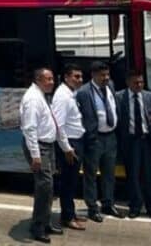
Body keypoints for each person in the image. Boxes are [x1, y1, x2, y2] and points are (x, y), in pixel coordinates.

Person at [20, 68, 75, 243]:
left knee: (49, 188)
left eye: (52, 79)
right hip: (39, 147)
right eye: (48, 79)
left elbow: (55, 124)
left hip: (48, 146)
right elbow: (30, 129)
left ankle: (45, 222)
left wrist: (66, 147)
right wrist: (35, 155)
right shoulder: (32, 99)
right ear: (38, 80)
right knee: (44, 188)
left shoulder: (42, 95)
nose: (52, 82)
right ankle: (37, 227)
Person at [75, 60, 124, 222]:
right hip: (94, 139)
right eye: (102, 75)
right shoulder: (83, 92)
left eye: (107, 74)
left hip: (110, 137)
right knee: (91, 175)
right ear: (94, 75)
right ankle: (92, 207)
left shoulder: (110, 86)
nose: (106, 78)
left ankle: (108, 204)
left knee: (109, 174)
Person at [116, 70, 151, 220]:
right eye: (135, 82)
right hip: (131, 142)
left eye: (141, 82)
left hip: (149, 141)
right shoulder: (119, 97)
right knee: (132, 176)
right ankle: (135, 206)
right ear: (128, 83)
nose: (139, 85)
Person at [51, 64, 86, 231]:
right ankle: (67, 217)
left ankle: (71, 212)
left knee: (73, 181)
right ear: (66, 77)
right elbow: (59, 125)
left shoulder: (71, 93)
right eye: (76, 77)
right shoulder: (62, 97)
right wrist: (67, 148)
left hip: (76, 141)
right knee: (68, 182)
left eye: (80, 77)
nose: (80, 80)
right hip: (70, 144)